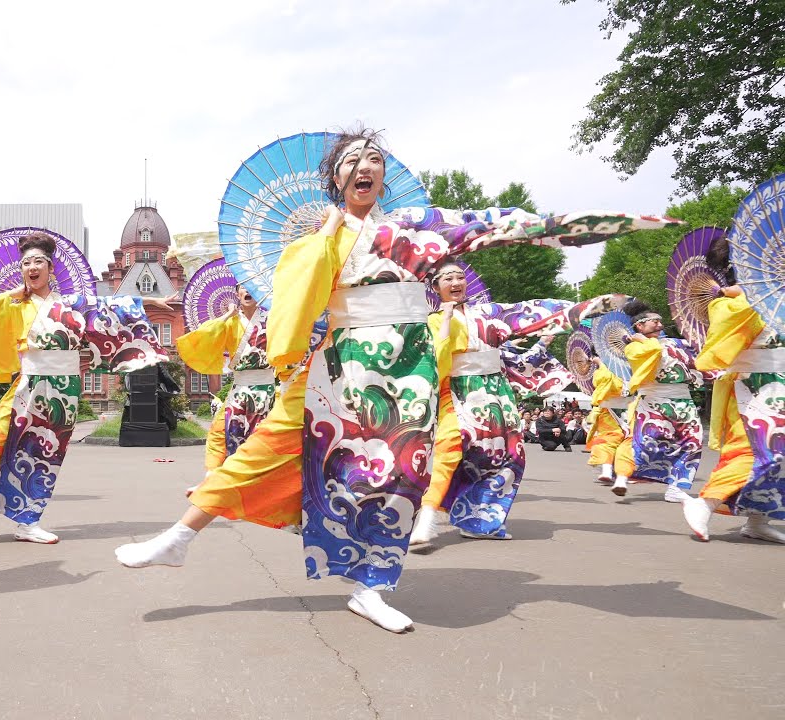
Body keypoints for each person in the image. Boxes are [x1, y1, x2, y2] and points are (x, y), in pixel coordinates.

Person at [114, 126, 674, 633]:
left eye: (374, 157)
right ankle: (178, 537)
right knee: (262, 450)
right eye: (353, 159)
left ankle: (371, 586)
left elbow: (497, 223)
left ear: (383, 175)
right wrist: (326, 234)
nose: (365, 165)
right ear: (335, 178)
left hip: (405, 367)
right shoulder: (317, 241)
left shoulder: (415, 228)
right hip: (339, 362)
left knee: (401, 473)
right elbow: (296, 303)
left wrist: (601, 224)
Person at [0, 233, 172, 544]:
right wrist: (15, 291)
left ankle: (28, 523)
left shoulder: (71, 303)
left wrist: (150, 302)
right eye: (25, 263)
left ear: (50, 268)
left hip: (64, 391)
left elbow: (111, 306)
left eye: (38, 261)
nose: (31, 267)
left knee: (44, 458)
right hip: (28, 385)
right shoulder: (14, 304)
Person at [413, 261, 615, 546]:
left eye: (460, 276)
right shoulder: (433, 320)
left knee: (507, 454)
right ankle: (427, 517)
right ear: (435, 287)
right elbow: (438, 361)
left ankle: (482, 521)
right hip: (459, 390)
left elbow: (527, 312)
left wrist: (584, 308)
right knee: (451, 446)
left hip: (496, 392)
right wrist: (445, 318)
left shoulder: (489, 313)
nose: (456, 281)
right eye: (448, 278)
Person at [679, 237, 784, 543]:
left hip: (781, 381)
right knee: (755, 450)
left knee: (780, 455)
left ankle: (757, 519)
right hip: (756, 384)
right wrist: (753, 293)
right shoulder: (725, 303)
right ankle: (706, 501)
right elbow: (726, 331)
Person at [177, 284, 273, 488]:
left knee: (264, 437)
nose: (248, 291)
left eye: (252, 287)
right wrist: (228, 314)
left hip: (267, 388)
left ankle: (263, 485)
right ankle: (212, 480)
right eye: (243, 288)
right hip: (240, 388)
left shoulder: (271, 319)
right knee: (221, 431)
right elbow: (203, 336)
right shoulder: (231, 322)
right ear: (237, 293)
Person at [610, 300, 704, 502]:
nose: (660, 325)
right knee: (648, 441)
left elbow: (695, 358)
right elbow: (652, 351)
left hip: (683, 399)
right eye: (655, 322)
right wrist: (640, 340)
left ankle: (677, 487)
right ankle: (623, 475)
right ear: (640, 326)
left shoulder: (672, 342)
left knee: (693, 442)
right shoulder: (632, 348)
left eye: (660, 321)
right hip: (654, 400)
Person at [584, 356, 632, 483]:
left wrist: (600, 363)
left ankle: (611, 470)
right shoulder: (630, 367)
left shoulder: (604, 371)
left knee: (611, 440)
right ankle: (611, 471)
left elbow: (606, 380)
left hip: (621, 409)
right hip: (620, 409)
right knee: (615, 440)